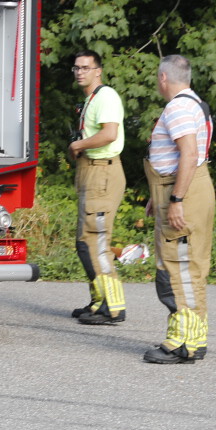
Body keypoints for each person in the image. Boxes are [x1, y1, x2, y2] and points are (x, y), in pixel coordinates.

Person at [143, 53, 214, 363]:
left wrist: (175, 200)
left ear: (163, 78)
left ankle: (180, 343)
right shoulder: (195, 102)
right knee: (193, 267)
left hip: (183, 193)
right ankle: (196, 338)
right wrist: (156, 198)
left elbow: (188, 154)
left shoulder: (178, 107)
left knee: (176, 269)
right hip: (190, 188)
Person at [68, 50, 127, 325]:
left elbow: (109, 133)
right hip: (91, 170)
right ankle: (98, 300)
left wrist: (78, 145)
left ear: (98, 71)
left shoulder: (106, 96)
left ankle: (113, 306)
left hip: (103, 172)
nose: (80, 72)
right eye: (77, 68)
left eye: (86, 67)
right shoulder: (90, 99)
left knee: (97, 241)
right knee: (85, 242)